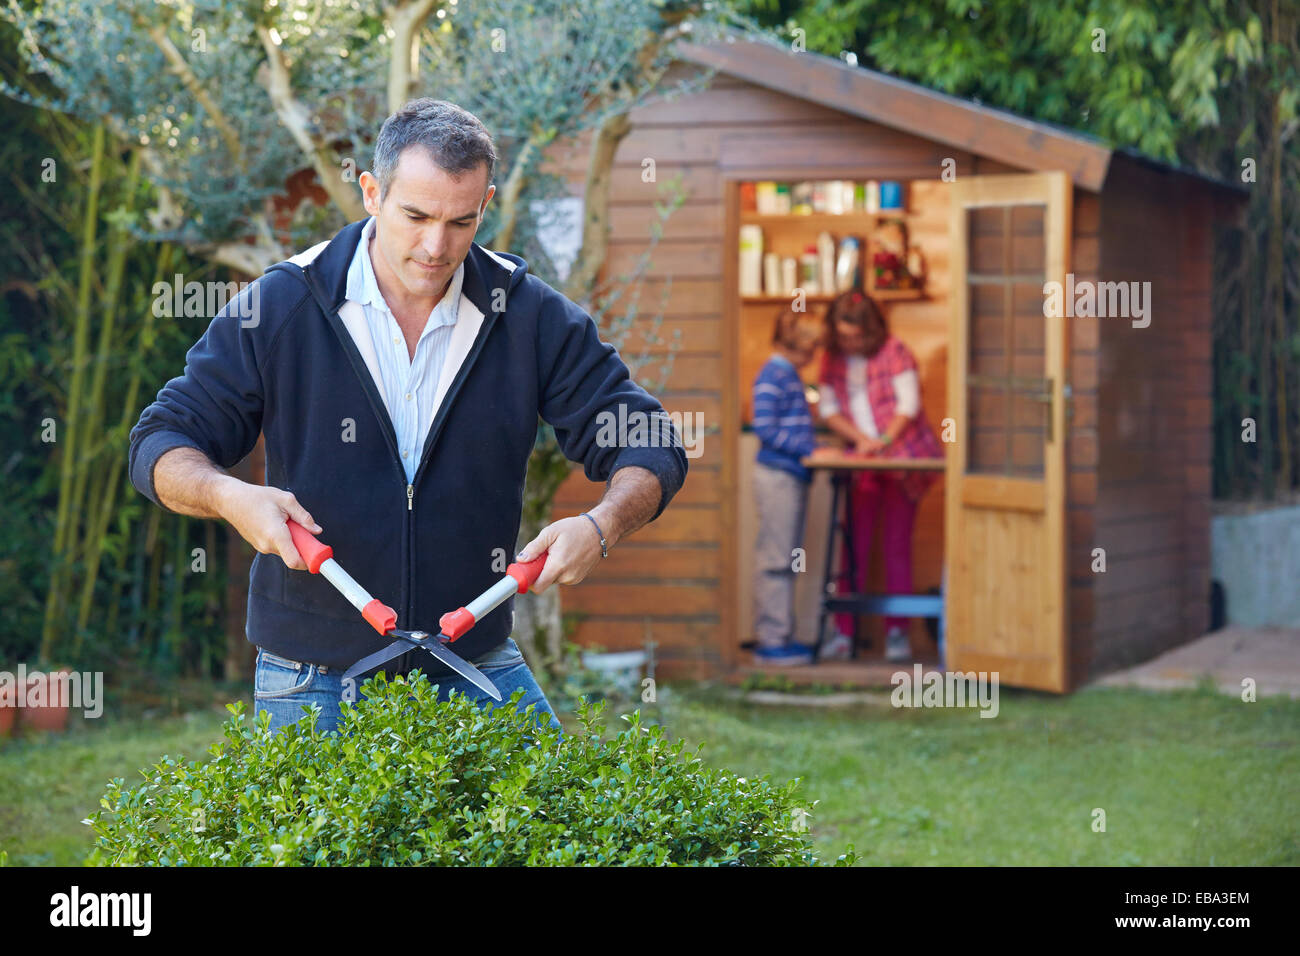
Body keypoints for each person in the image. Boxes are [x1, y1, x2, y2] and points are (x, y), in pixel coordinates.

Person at [127, 99, 687, 736]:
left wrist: (602, 525)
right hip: (312, 674)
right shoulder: (282, 304)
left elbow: (650, 440)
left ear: (487, 203)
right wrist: (230, 496)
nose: (435, 246)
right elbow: (160, 443)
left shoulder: (527, 316)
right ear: (371, 191)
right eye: (415, 215)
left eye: (461, 221)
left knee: (563, 829)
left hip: (473, 659)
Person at [816, 290, 941, 663]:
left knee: (895, 545)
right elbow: (828, 408)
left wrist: (884, 440)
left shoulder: (894, 350)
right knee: (853, 544)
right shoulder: (831, 359)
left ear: (871, 330)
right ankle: (843, 633)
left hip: (903, 458)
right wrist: (863, 442)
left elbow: (908, 405)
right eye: (843, 336)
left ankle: (898, 632)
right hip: (863, 458)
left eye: (856, 335)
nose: (850, 342)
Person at [750, 308, 824, 665]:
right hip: (777, 477)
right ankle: (772, 641)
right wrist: (808, 449)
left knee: (784, 556)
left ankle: (781, 635)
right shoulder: (773, 375)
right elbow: (763, 427)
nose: (814, 356)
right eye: (812, 348)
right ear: (797, 345)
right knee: (777, 558)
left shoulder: (787, 373)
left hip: (789, 476)